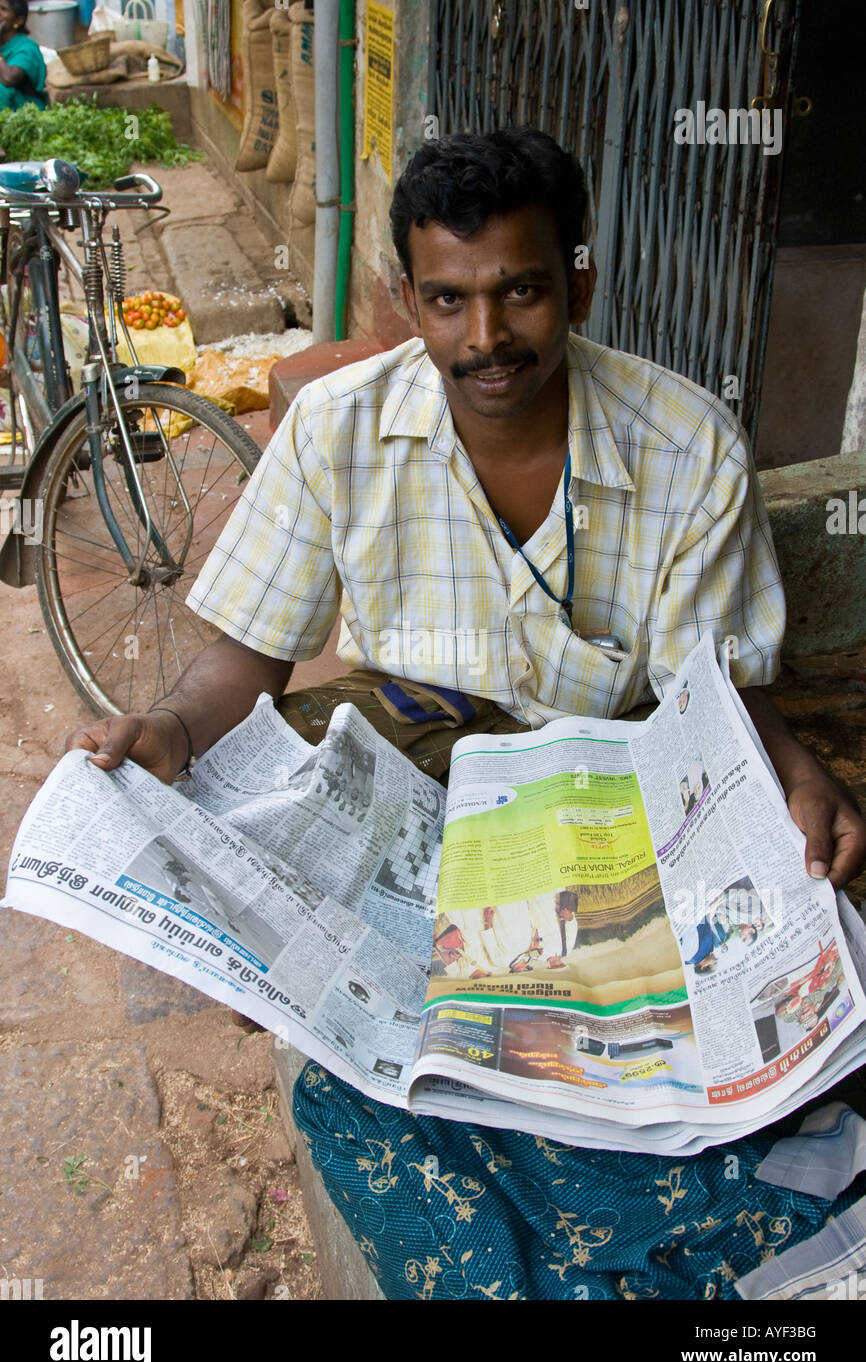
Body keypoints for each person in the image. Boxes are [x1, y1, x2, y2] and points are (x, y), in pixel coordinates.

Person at [67, 128, 866, 1299]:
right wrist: (171, 734)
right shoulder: (337, 430)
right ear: (405, 296)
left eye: (520, 293)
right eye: (446, 300)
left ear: (577, 281)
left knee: (720, 1054)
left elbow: (718, 699)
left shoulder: (685, 443)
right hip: (420, 808)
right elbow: (239, 661)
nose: (483, 339)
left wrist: (792, 776)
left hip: (619, 818)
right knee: (362, 1097)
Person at [0, 0, 47, 111]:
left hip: (24, 110)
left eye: (3, 9)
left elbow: (8, 78)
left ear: (18, 20)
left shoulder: (27, 47)